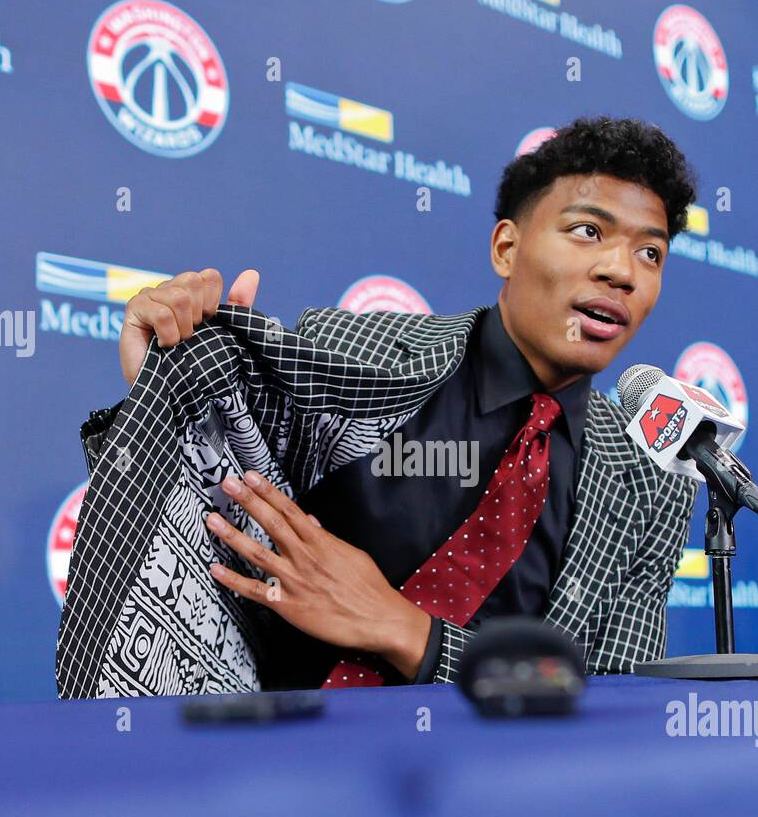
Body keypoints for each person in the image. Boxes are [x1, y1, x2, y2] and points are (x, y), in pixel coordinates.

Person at [58, 116, 700, 697]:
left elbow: (613, 704)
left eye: (651, 252)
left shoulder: (651, 486)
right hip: (259, 775)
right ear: (507, 248)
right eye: (588, 231)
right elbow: (204, 515)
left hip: (482, 805)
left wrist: (411, 635)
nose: (623, 271)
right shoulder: (347, 353)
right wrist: (174, 387)